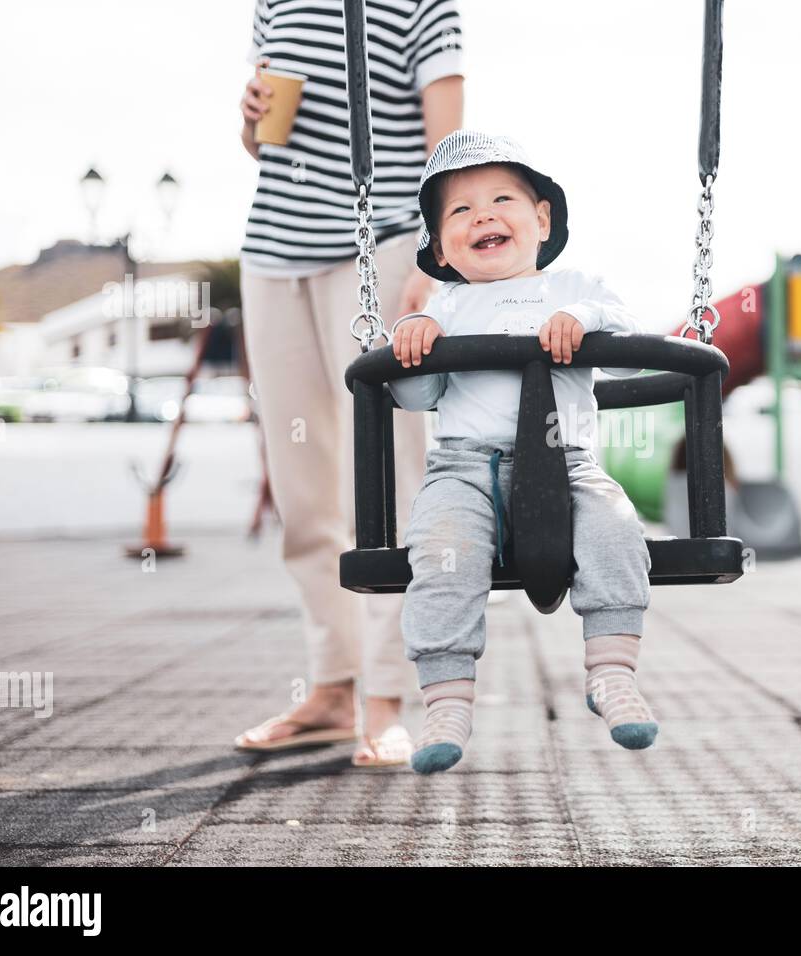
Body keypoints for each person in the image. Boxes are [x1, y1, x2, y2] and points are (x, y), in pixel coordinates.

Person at [232, 0, 464, 767]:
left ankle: (389, 697)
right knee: (302, 487)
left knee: (387, 477)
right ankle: (331, 684)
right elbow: (267, 144)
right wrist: (249, 120)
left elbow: (449, 145)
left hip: (383, 241)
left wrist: (435, 265)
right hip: (273, 249)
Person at [384, 131, 656, 774]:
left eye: (502, 198)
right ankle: (446, 697)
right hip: (464, 468)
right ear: (442, 246)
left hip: (567, 463)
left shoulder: (574, 285)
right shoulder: (444, 307)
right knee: (441, 554)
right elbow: (415, 395)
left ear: (541, 219)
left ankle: (612, 672)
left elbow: (630, 346)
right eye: (459, 210)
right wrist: (411, 337)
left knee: (616, 532)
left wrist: (585, 321)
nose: (482, 215)